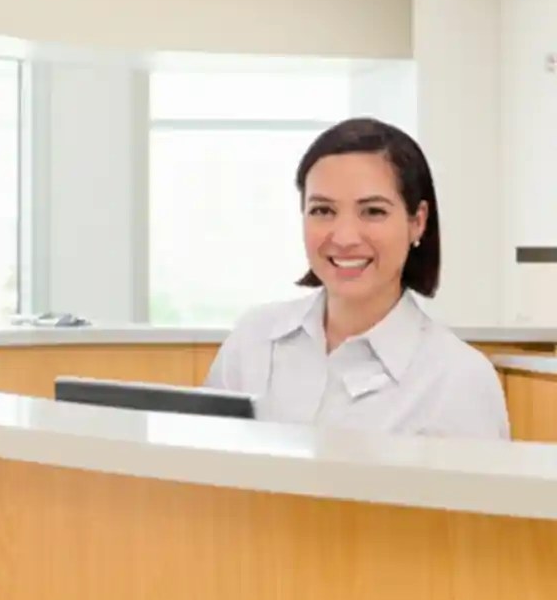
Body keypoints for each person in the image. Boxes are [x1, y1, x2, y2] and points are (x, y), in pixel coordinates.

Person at [204, 117, 509, 440]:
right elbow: (201, 471)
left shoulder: (458, 378)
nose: (345, 237)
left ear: (417, 222)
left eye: (373, 211)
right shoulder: (253, 340)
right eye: (323, 210)